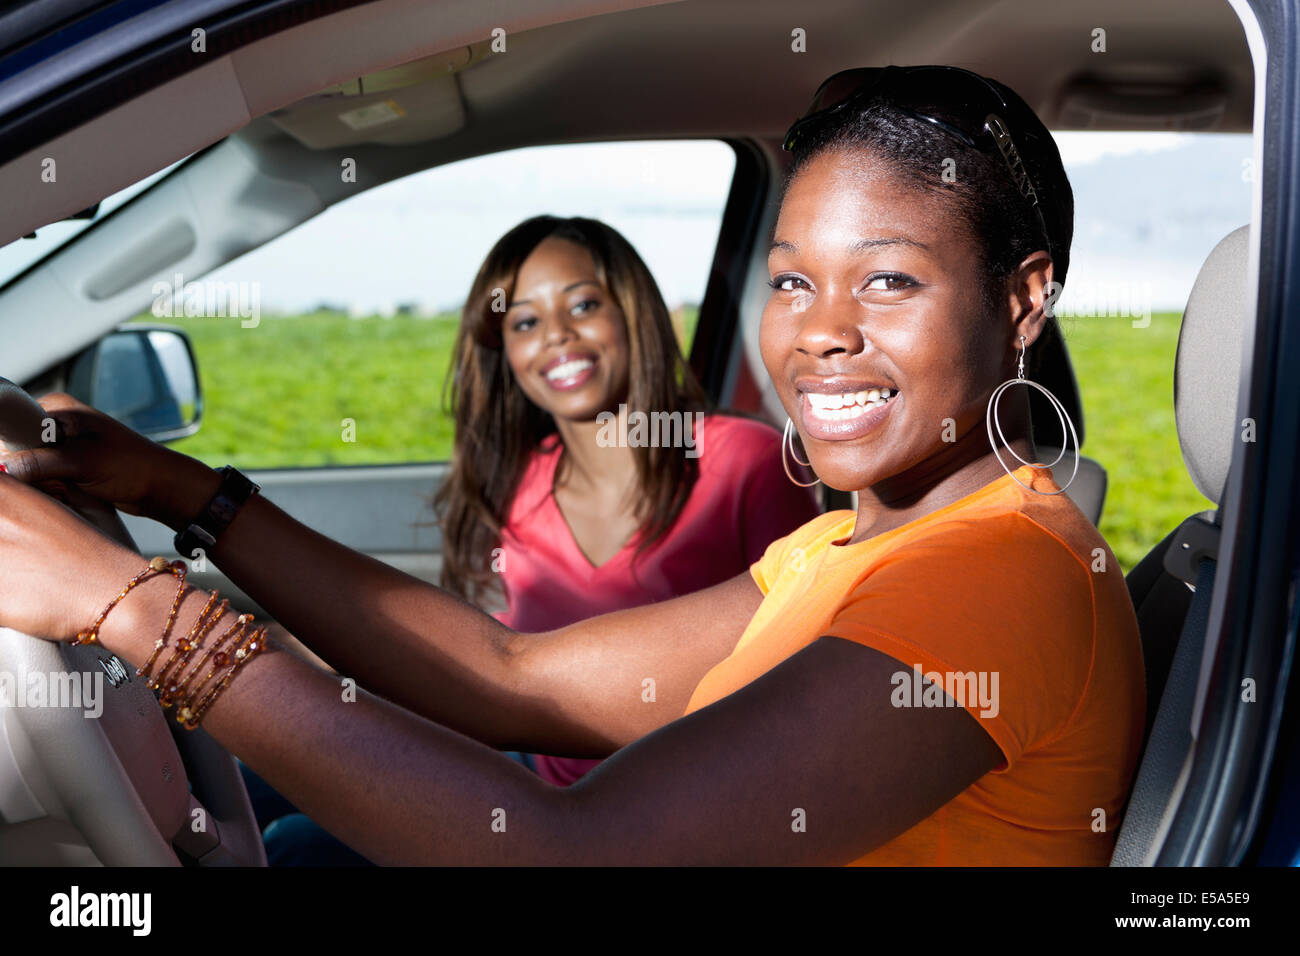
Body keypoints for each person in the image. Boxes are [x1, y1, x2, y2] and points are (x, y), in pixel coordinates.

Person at [0, 65, 1146, 865]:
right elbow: (515, 676)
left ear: (1020, 296)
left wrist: (135, 610)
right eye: (792, 280)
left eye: (887, 279)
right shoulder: (847, 546)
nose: (818, 331)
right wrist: (179, 492)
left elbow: (575, 848)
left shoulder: (996, 576)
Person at [238, 215, 821, 862]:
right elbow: (495, 661)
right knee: (252, 786)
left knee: (292, 850)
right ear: (503, 351)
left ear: (634, 312)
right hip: (540, 784)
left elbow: (803, 682)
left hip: (681, 816)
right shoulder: (517, 486)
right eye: (524, 322)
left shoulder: (746, 462)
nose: (557, 337)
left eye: (583, 305)